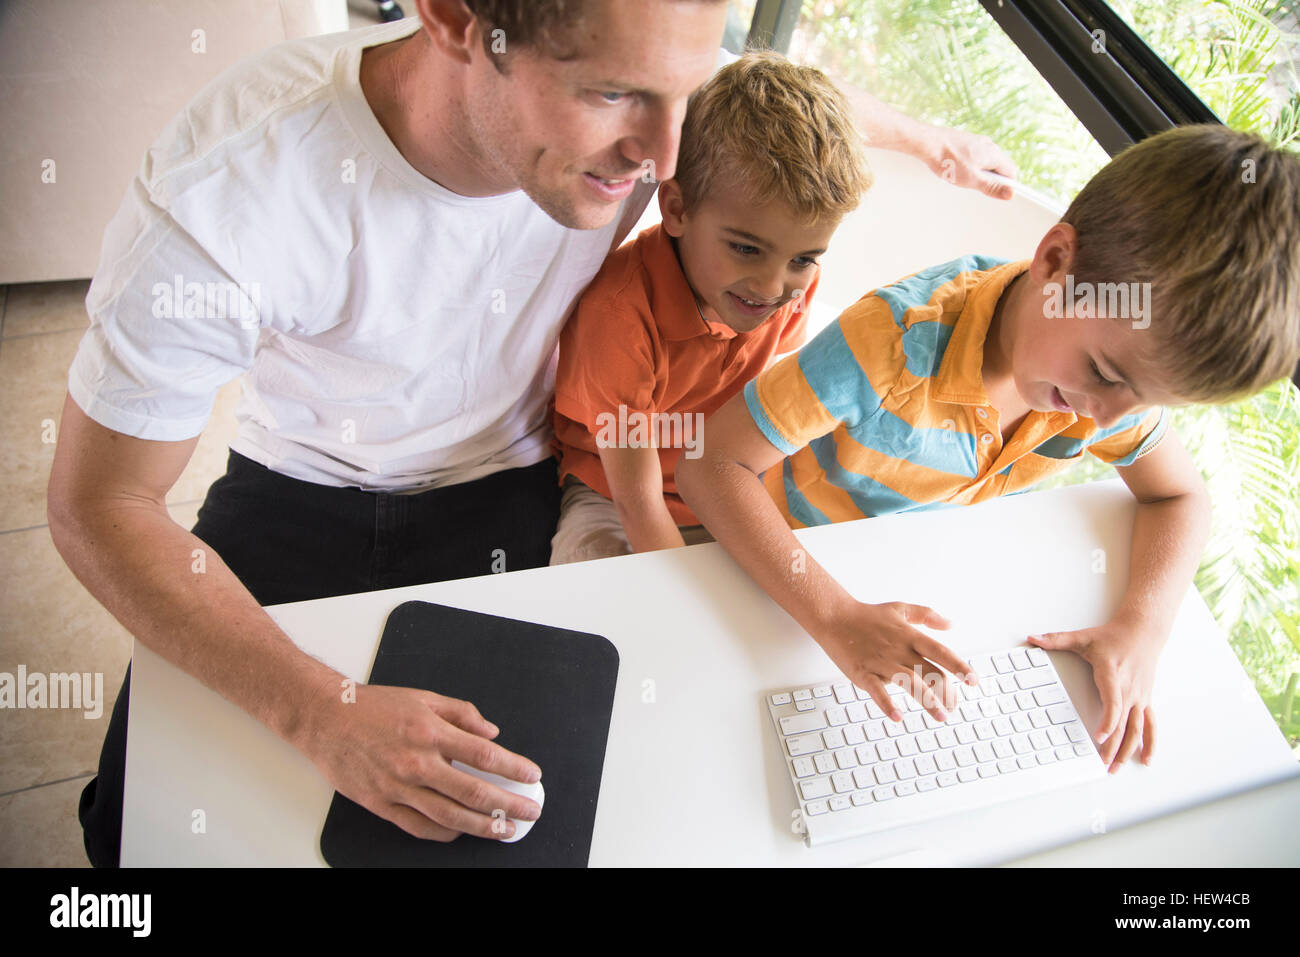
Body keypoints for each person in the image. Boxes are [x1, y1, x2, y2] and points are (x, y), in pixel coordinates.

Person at [48, 0, 1018, 866]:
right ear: (454, 19)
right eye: (613, 94)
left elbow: (763, 109)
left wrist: (929, 139)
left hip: (519, 483)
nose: (669, 159)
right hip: (304, 483)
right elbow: (100, 507)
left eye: (681, 92)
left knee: (541, 823)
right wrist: (315, 711)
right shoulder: (229, 189)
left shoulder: (652, 104)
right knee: (139, 828)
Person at [678, 124, 1300, 775]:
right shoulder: (891, 345)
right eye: (1108, 376)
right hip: (772, 571)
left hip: (905, 583)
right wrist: (836, 617)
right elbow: (708, 464)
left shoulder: (1098, 384)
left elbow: (1180, 495)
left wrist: (1143, 627)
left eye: (1146, 401)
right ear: (1056, 263)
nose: (1107, 416)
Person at [550, 51, 871, 564]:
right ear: (676, 209)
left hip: (726, 480)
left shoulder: (795, 289)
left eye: (803, 258)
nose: (772, 286)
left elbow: (772, 410)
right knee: (593, 578)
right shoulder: (620, 317)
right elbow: (637, 502)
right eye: (746, 248)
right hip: (615, 493)